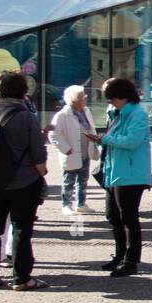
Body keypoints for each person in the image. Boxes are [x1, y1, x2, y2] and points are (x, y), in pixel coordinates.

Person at [0, 71, 49, 291]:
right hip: (22, 180)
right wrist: (41, 173)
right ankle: (21, 278)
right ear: (23, 91)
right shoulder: (26, 116)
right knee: (20, 229)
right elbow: (38, 154)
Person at [97, 77, 152, 277]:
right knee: (113, 215)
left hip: (131, 174)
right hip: (115, 171)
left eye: (112, 98)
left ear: (123, 97)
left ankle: (131, 260)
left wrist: (105, 138)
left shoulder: (137, 114)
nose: (110, 102)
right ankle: (120, 255)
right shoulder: (116, 113)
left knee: (129, 217)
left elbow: (132, 141)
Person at [49, 86, 99, 215]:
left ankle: (81, 204)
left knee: (83, 180)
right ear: (74, 100)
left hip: (85, 151)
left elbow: (90, 128)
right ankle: (66, 205)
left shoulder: (86, 111)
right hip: (71, 153)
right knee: (68, 181)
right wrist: (66, 149)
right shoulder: (62, 115)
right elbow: (53, 135)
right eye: (82, 96)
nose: (86, 97)